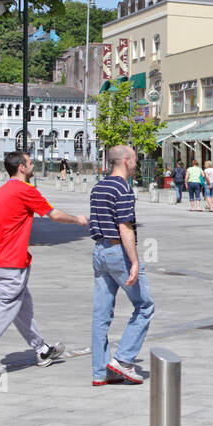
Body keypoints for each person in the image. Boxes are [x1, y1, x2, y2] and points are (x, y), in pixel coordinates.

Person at [0, 151, 87, 380]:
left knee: (22, 306)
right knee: (2, 307)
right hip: (12, 260)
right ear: (21, 167)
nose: (33, 165)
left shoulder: (0, 191)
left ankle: (41, 350)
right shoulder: (26, 190)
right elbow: (54, 215)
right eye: (30, 163)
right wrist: (78, 220)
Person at [89, 144, 154, 386]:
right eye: (135, 160)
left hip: (99, 251)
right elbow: (124, 227)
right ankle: (123, 360)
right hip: (118, 251)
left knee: (101, 314)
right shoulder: (123, 188)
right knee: (144, 305)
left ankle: (100, 372)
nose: (136, 164)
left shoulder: (99, 187)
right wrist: (135, 261)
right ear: (125, 161)